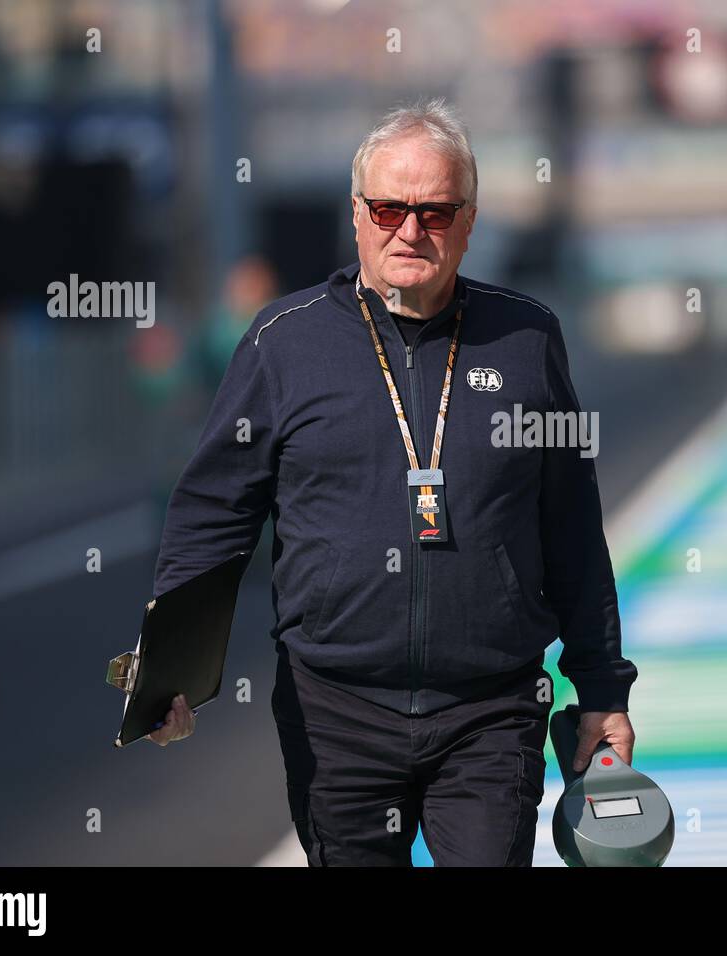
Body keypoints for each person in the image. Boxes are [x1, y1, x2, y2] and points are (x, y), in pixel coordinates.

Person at [147, 97, 638, 867]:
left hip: (491, 707)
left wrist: (603, 687)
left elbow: (571, 523)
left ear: (468, 221)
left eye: (435, 213)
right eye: (388, 209)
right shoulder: (285, 342)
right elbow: (216, 510)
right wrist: (171, 669)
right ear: (357, 216)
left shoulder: (527, 340)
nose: (410, 231)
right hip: (334, 711)